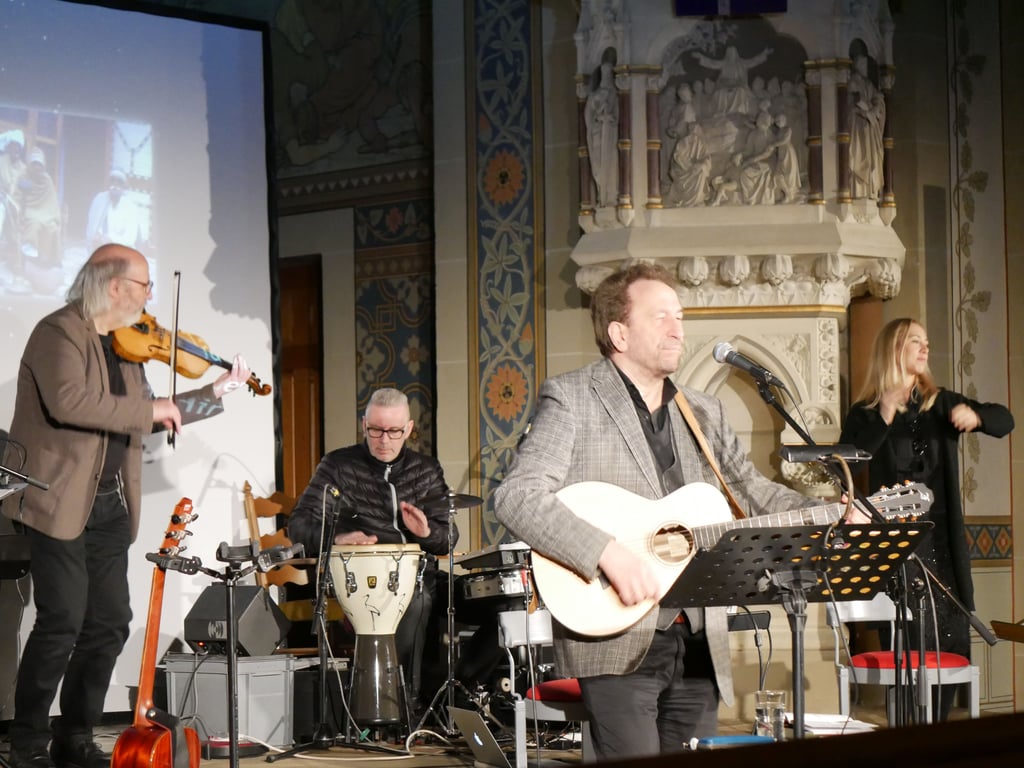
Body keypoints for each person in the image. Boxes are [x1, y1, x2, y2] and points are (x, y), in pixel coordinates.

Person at [493, 262, 861, 761]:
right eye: (661, 316)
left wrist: (828, 512)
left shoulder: (704, 409)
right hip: (618, 633)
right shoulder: (573, 397)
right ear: (619, 333)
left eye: (680, 317)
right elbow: (517, 496)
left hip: (700, 640)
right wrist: (606, 553)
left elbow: (750, 490)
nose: (677, 329)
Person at [1, 243, 254, 768]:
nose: (149, 296)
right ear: (113, 285)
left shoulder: (125, 347)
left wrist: (215, 392)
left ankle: (74, 736)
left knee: (110, 622)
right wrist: (154, 408)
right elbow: (70, 402)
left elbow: (154, 414)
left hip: (111, 503)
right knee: (61, 621)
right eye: (143, 284)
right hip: (59, 500)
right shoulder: (58, 333)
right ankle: (26, 742)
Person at [839, 317, 1014, 720]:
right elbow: (848, 461)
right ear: (893, 348)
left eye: (927, 341)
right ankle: (909, 738)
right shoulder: (866, 413)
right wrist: (885, 414)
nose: (925, 348)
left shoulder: (940, 403)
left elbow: (1005, 420)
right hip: (897, 549)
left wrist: (977, 417)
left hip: (942, 546)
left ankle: (940, 737)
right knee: (905, 652)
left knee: (950, 649)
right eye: (915, 340)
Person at [288, 387, 457, 714]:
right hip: (364, 586)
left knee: (500, 603)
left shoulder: (426, 470)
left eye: (394, 431)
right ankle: (403, 707)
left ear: (408, 429)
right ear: (364, 424)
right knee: (417, 600)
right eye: (376, 430)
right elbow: (299, 524)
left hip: (424, 577)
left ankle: (452, 696)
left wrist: (425, 532)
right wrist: (338, 537)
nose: (384, 440)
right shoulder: (339, 466)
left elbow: (448, 540)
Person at [848, 54, 885, 201]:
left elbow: (879, 98)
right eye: (862, 64)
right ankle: (859, 191)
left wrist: (874, 109)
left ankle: (871, 191)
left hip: (869, 125)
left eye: (865, 64)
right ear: (856, 66)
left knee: (872, 156)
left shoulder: (868, 83)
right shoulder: (852, 81)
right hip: (857, 123)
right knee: (859, 154)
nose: (864, 67)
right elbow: (851, 100)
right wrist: (864, 110)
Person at [85, 169, 149, 252]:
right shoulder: (100, 199)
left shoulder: (130, 207)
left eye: (119, 183)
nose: (115, 186)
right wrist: (96, 236)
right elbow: (91, 227)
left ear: (124, 188)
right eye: (112, 182)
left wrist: (111, 239)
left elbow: (130, 238)